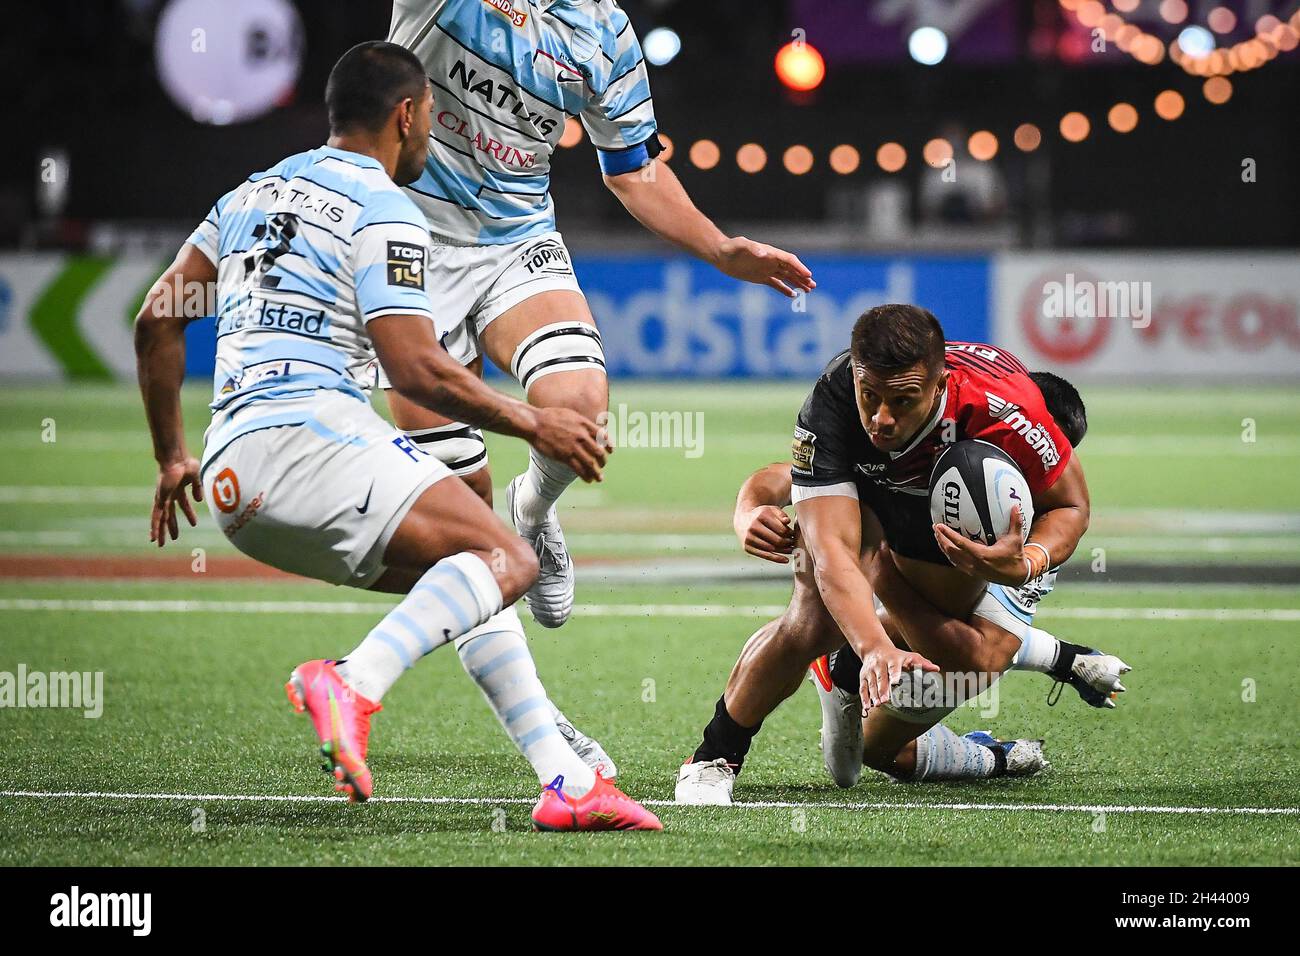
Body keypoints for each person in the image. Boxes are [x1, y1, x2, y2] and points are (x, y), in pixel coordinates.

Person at [134, 40, 659, 831]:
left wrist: (174, 455)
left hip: (233, 482)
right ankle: (352, 681)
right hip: (312, 443)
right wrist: (532, 418)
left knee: (466, 578)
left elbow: (156, 322)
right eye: (429, 120)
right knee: (504, 556)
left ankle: (567, 782)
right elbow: (415, 369)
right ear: (409, 116)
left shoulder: (246, 195)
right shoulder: (386, 208)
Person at [381, 0, 816, 631]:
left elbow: (633, 170)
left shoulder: (604, 28)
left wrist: (720, 248)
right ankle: (541, 729)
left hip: (516, 242)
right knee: (464, 529)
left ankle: (530, 513)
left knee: (579, 407)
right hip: (406, 240)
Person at [675, 306, 1129, 804]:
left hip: (964, 514)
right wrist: (873, 646)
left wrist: (1028, 562)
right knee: (813, 621)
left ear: (940, 385)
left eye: (902, 401)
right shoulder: (833, 398)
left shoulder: (1003, 415)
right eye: (870, 397)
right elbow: (828, 549)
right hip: (877, 497)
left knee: (968, 663)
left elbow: (1071, 504)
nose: (881, 419)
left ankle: (849, 674)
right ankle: (715, 755)